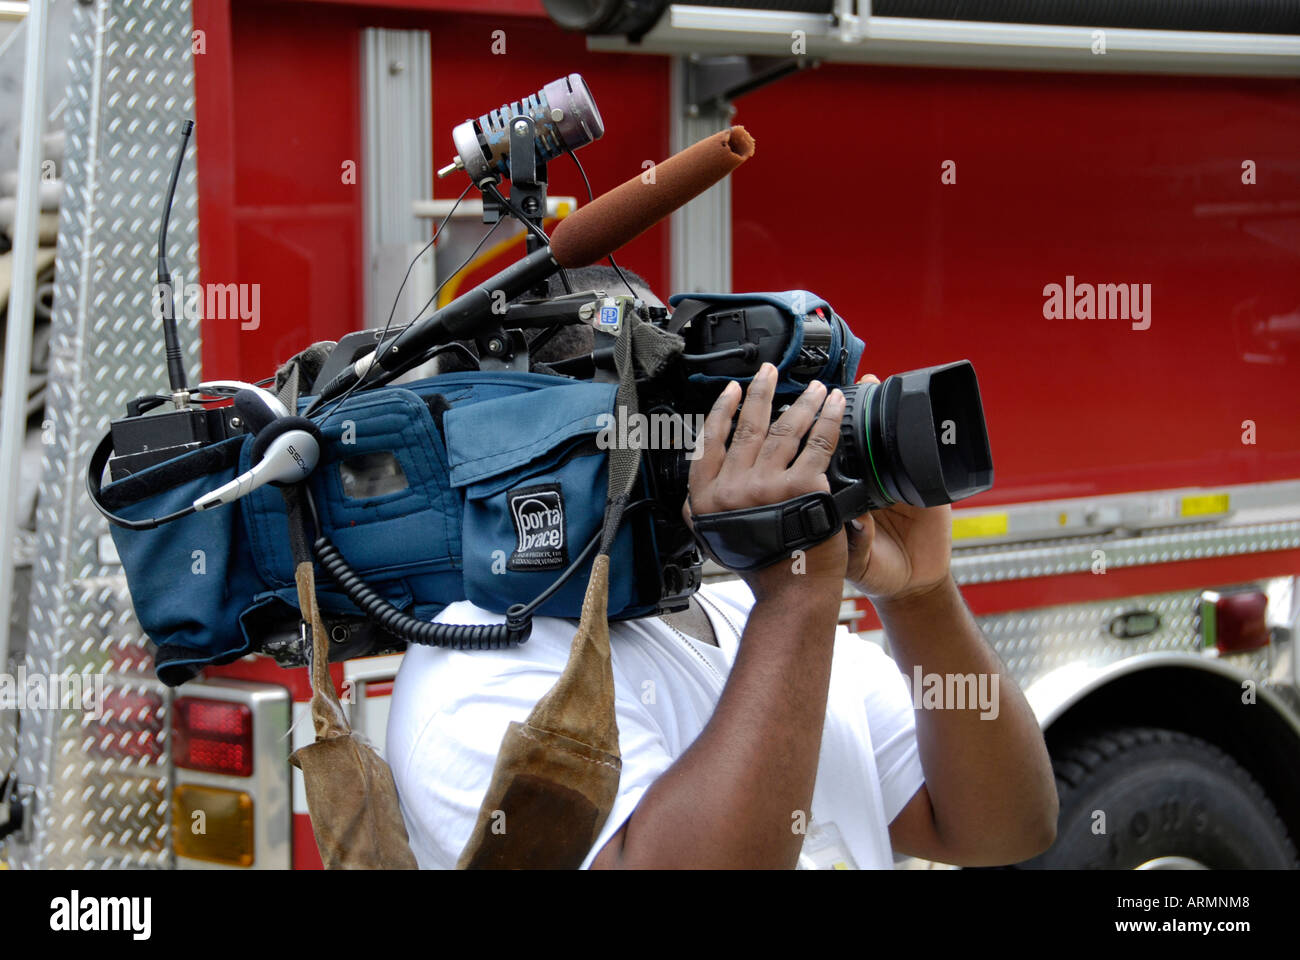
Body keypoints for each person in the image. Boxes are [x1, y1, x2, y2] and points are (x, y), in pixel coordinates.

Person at [386, 268, 1058, 869]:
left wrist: (921, 597)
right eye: (669, 404)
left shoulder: (746, 616)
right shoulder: (476, 672)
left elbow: (1005, 829)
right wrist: (794, 598)